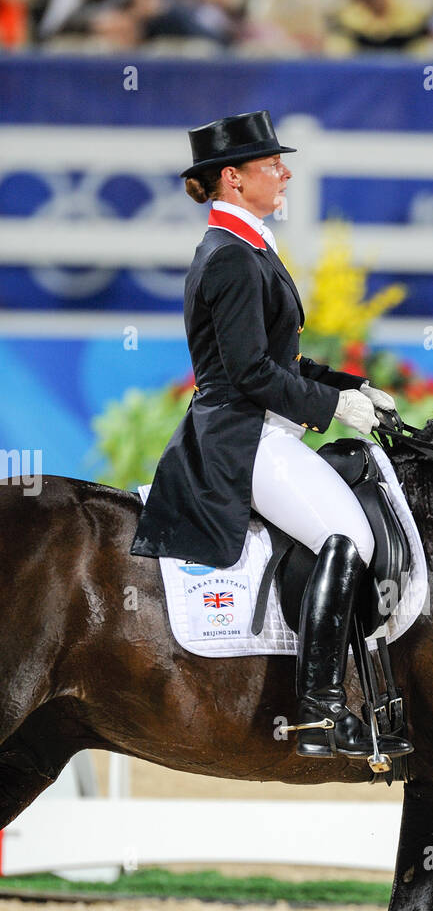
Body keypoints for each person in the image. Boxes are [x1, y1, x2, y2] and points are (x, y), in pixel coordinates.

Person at [131, 110, 412, 761]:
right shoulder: (229, 257)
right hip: (240, 436)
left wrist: (350, 387)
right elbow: (252, 374)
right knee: (348, 537)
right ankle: (318, 709)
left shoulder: (249, 247)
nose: (284, 172)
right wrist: (334, 411)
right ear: (233, 178)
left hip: (268, 428)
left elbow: (279, 359)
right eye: (270, 165)